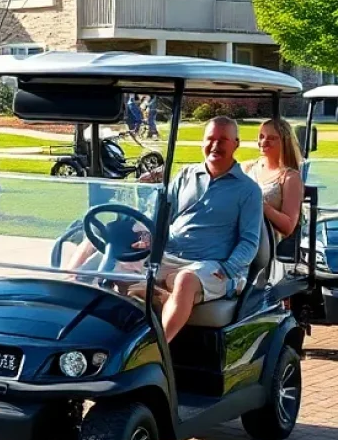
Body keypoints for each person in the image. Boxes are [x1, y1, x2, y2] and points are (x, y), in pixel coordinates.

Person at [67, 117, 262, 343]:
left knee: (185, 280)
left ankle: (157, 349)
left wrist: (228, 268)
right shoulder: (186, 176)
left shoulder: (248, 190)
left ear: (236, 144)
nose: (215, 145)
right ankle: (83, 330)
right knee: (115, 261)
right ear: (203, 143)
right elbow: (161, 217)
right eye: (210, 139)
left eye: (223, 140)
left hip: (212, 264)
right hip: (169, 255)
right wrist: (148, 236)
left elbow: (249, 242)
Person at [243, 118, 304, 239]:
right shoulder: (247, 168)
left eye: (272, 138)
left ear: (284, 142)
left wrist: (260, 204)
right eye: (261, 136)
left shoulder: (290, 178)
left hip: (265, 243)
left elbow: (288, 226)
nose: (264, 141)